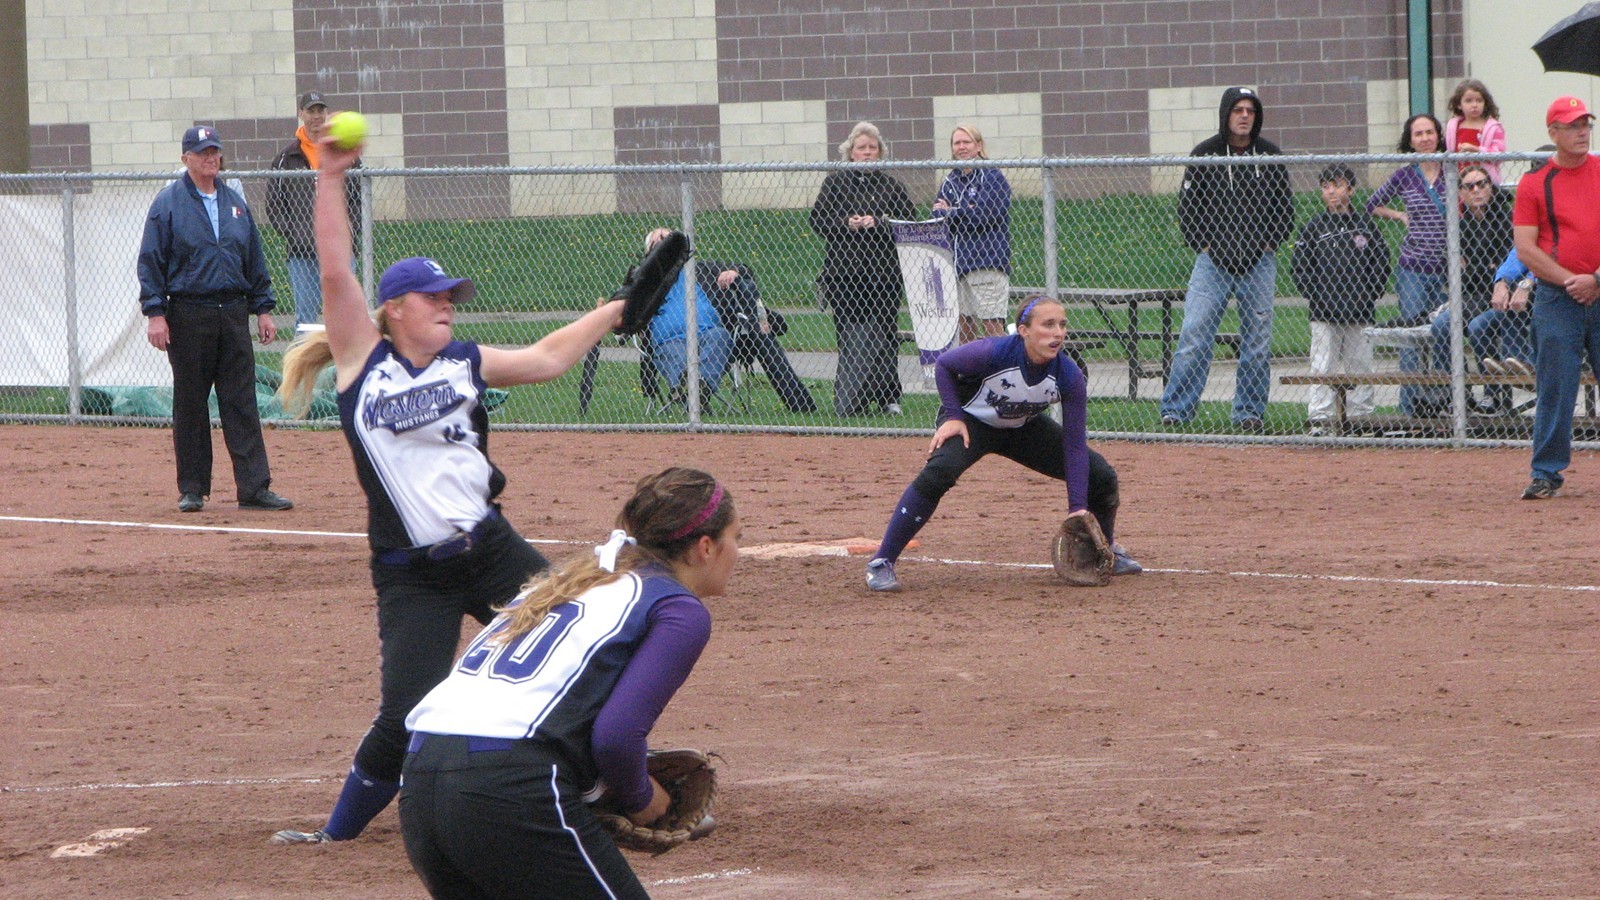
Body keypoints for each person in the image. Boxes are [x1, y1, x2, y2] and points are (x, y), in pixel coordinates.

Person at [269, 132, 629, 844]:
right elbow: (336, 271)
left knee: (579, 643)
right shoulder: (361, 365)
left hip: (491, 549)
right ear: (395, 308)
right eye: (433, 298)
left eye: (451, 297)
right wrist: (330, 177)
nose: (447, 306)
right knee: (406, 709)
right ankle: (336, 833)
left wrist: (615, 308)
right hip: (414, 575)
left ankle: (601, 786)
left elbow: (550, 357)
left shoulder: (465, 362)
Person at [398, 467, 734, 899]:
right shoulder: (678, 608)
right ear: (705, 547)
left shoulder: (569, 582)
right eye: (735, 537)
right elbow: (616, 737)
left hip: (421, 778)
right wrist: (641, 797)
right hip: (509, 785)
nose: (737, 551)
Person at [863, 296, 1140, 593]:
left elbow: (1074, 446)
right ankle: (881, 562)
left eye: (1062, 325)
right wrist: (953, 416)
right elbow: (944, 365)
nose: (1058, 333)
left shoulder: (1069, 375)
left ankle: (1105, 550)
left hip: (1022, 427)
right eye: (1047, 325)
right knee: (940, 472)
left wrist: (1077, 508)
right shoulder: (994, 352)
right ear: (1024, 330)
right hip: (973, 421)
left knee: (1101, 475)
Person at [136, 125, 292, 514]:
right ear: (186, 158)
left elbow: (253, 257)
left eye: (215, 151)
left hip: (232, 312)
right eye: (202, 152)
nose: (210, 158)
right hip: (189, 313)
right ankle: (192, 488)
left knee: (241, 401)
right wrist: (156, 313)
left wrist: (263, 308)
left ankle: (254, 488)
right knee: (190, 402)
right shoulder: (168, 203)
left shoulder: (234, 202)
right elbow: (151, 261)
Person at [1160, 87, 1294, 432]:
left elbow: (1285, 211)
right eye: (1238, 109)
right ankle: (1176, 410)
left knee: (1257, 343)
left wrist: (1269, 243)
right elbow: (1188, 209)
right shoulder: (1205, 154)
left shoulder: (1269, 155)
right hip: (1212, 264)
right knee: (1194, 335)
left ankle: (1249, 413)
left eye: (1250, 109)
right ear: (1226, 114)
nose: (1245, 115)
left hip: (1259, 265)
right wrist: (1202, 244)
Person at [1512, 96, 1600, 500]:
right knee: (1556, 387)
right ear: (1553, 134)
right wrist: (1573, 282)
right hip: (1557, 299)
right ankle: (1546, 472)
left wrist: (1595, 279)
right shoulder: (1534, 183)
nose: (1582, 132)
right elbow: (1526, 248)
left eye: (1586, 124)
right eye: (1572, 125)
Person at [810, 121, 916, 416]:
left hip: (883, 275)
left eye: (872, 148)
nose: (867, 153)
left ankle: (887, 396)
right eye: (861, 148)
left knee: (884, 334)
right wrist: (847, 223)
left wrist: (879, 222)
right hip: (844, 275)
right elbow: (817, 220)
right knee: (849, 336)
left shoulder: (891, 185)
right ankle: (852, 396)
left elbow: (909, 220)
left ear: (879, 152)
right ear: (851, 153)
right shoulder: (835, 182)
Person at [1289, 164, 1392, 433]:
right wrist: (1317, 296)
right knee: (1324, 364)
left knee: (1360, 364)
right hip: (1324, 311)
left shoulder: (1365, 226)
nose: (1331, 191)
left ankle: (1361, 417)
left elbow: (1381, 263)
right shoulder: (1313, 228)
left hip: (1360, 310)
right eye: (1325, 187)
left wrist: (1369, 294)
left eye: (1337, 185)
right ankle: (1320, 418)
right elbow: (1300, 268)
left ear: (1351, 189)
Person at [1366, 113, 1450, 416]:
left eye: (1430, 132)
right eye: (1418, 134)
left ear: (1439, 135)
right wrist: (1399, 215)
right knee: (1412, 339)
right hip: (1413, 267)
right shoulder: (1405, 175)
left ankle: (1444, 405)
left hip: (1448, 269)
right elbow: (1371, 203)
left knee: (1444, 335)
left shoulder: (1451, 169)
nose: (1425, 138)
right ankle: (1410, 409)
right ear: (1410, 140)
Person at [267, 90, 362, 330]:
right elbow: (274, 204)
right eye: (311, 110)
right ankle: (305, 368)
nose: (317, 116)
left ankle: (344, 368)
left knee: (345, 318)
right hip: (302, 251)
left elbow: (359, 199)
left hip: (341, 249)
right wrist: (295, 233)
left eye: (321, 110)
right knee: (306, 322)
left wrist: (351, 229)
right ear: (301, 114)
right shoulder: (286, 158)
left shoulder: (344, 154)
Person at [1426, 164, 1513, 414]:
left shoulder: (1505, 221)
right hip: (1472, 296)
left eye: (1482, 184)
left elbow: (1502, 268)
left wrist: (1477, 267)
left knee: (1478, 327)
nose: (1476, 190)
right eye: (1469, 186)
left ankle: (1494, 395)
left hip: (1502, 299)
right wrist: (1483, 267)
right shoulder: (1461, 226)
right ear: (1461, 193)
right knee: (1442, 325)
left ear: (1491, 188)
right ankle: (1457, 395)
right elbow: (1453, 270)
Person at [696, 261, 817, 413]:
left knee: (750, 321)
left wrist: (734, 271)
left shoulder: (700, 269)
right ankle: (756, 318)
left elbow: (745, 269)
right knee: (755, 330)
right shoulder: (666, 277)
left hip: (728, 331)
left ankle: (756, 317)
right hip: (686, 334)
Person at [932, 124, 1012, 344]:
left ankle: (1007, 372)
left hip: (986, 263)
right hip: (957, 266)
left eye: (966, 142)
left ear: (978, 146)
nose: (961, 147)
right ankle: (969, 376)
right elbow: (937, 216)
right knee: (964, 327)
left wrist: (953, 211)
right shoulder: (950, 181)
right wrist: (965, 210)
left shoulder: (992, 176)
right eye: (957, 143)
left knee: (992, 327)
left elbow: (986, 215)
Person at [641, 227, 733, 405]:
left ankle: (693, 395)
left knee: (721, 336)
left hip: (707, 332)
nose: (668, 244)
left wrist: (734, 272)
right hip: (670, 339)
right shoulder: (646, 278)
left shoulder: (695, 269)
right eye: (661, 241)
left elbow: (742, 269)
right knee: (678, 357)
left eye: (671, 240)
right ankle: (697, 399)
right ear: (650, 250)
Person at [1445, 79, 1507, 183]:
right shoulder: (1453, 127)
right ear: (1459, 104)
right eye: (1468, 101)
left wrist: (1477, 150)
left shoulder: (1493, 127)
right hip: (1460, 181)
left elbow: (1499, 154)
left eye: (1479, 100)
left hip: (1486, 182)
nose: (1474, 105)